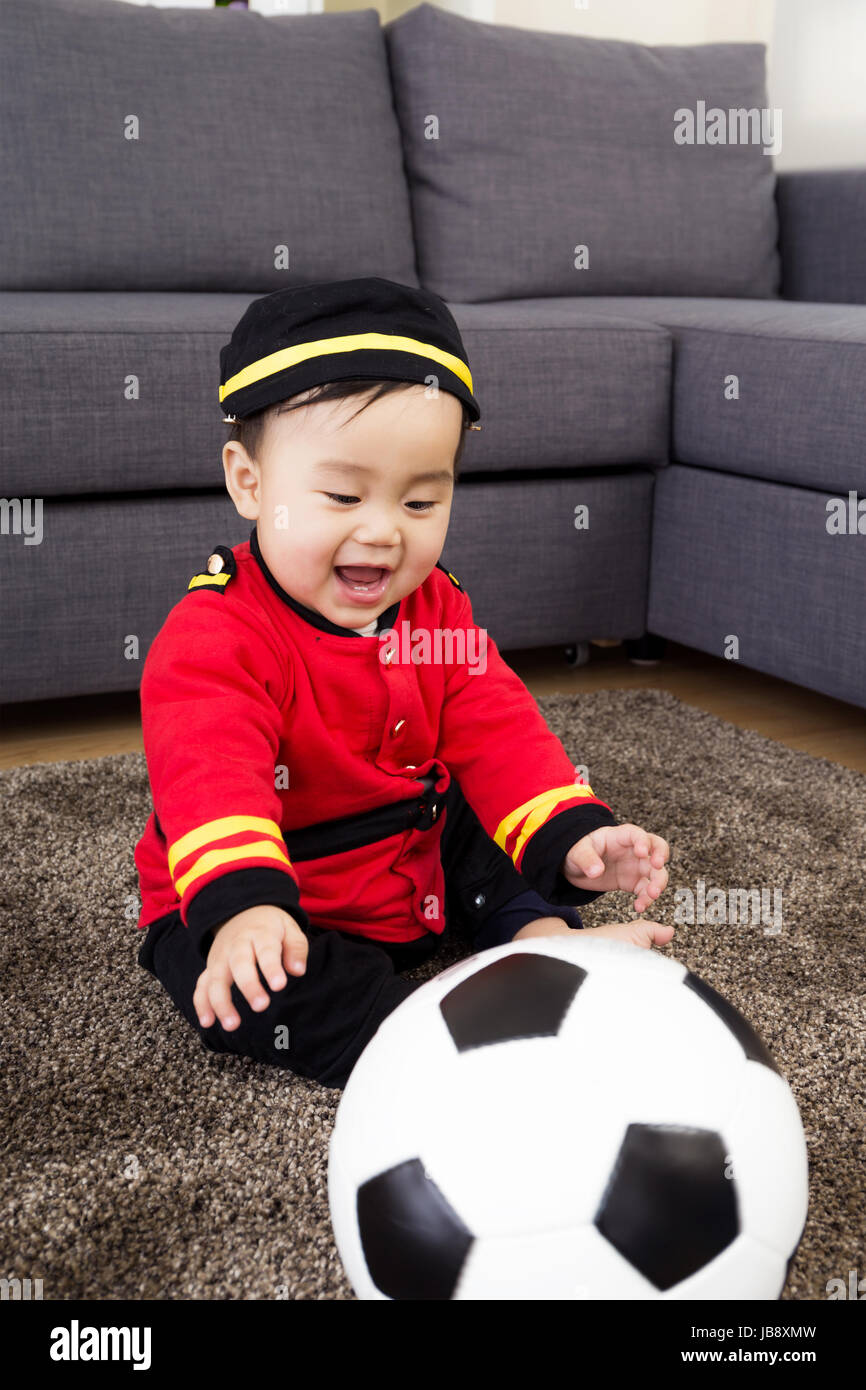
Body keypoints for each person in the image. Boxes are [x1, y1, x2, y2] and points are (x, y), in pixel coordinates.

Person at [134, 277, 672, 1089]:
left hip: (407, 836)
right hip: (268, 883)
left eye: (422, 500)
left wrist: (572, 833)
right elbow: (209, 776)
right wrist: (244, 904)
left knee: (487, 830)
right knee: (249, 991)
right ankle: (417, 1040)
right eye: (343, 495)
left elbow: (496, 723)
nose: (383, 531)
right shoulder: (217, 633)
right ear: (250, 483)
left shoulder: (435, 604)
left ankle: (535, 938)